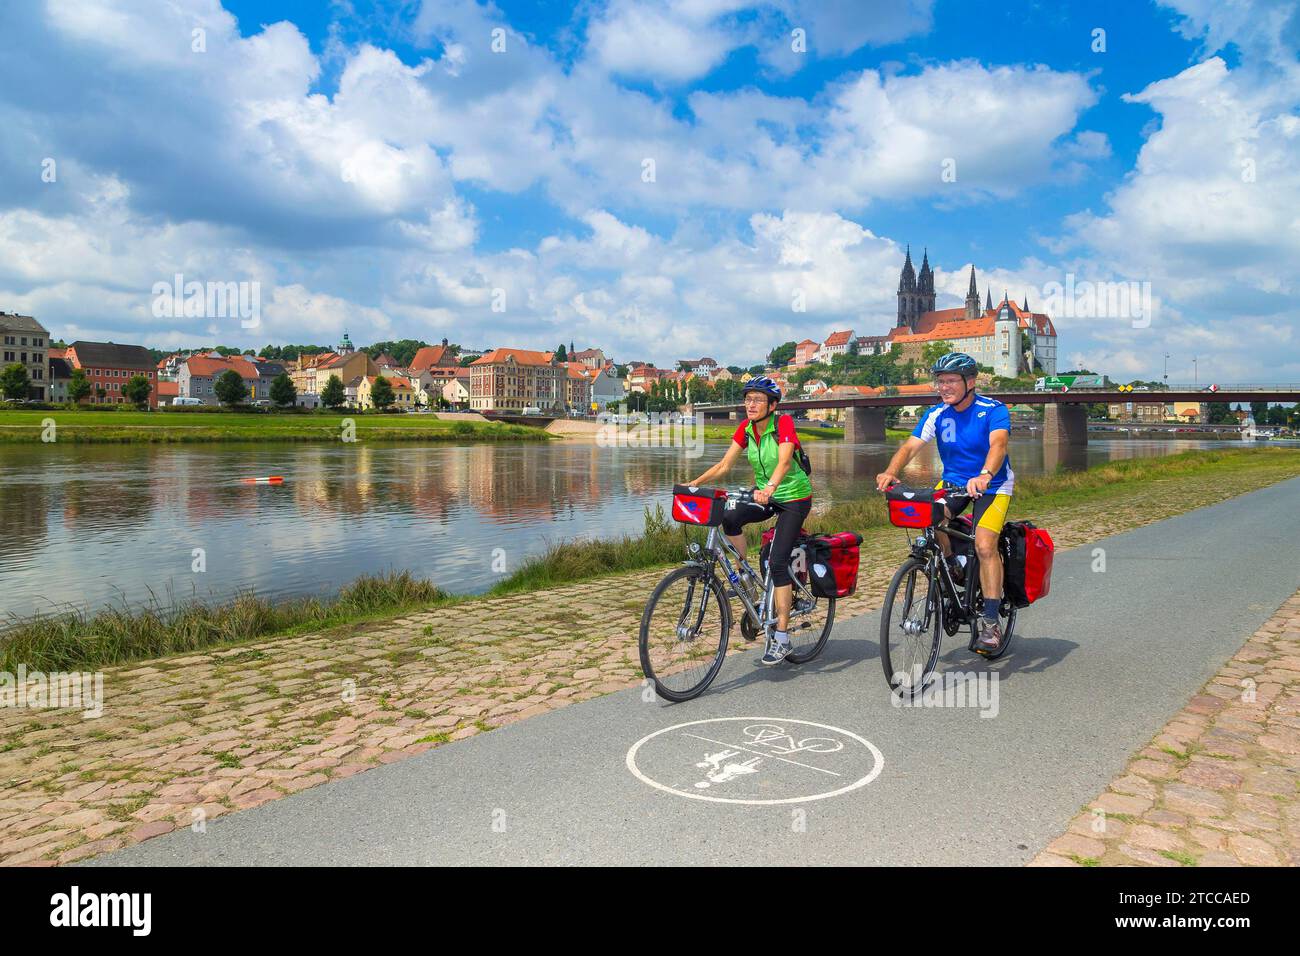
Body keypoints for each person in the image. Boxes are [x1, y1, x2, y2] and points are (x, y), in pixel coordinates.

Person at [874, 352, 1014, 653]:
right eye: (940, 381)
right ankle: (951, 564)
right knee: (929, 517)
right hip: (953, 481)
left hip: (993, 485)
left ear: (970, 382)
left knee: (985, 545)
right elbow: (911, 445)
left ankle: (990, 624)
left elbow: (998, 445)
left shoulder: (993, 410)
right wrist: (890, 471)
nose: (944, 387)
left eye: (951, 381)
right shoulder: (937, 413)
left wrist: (986, 474)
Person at [686, 376, 812, 665]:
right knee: (729, 518)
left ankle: (781, 638)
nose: (750, 404)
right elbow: (724, 465)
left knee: (778, 562)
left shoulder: (783, 425)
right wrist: (695, 483)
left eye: (757, 399)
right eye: (748, 399)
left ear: (772, 405)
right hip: (764, 496)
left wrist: (770, 488)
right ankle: (745, 576)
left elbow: (783, 462)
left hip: (793, 497)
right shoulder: (746, 428)